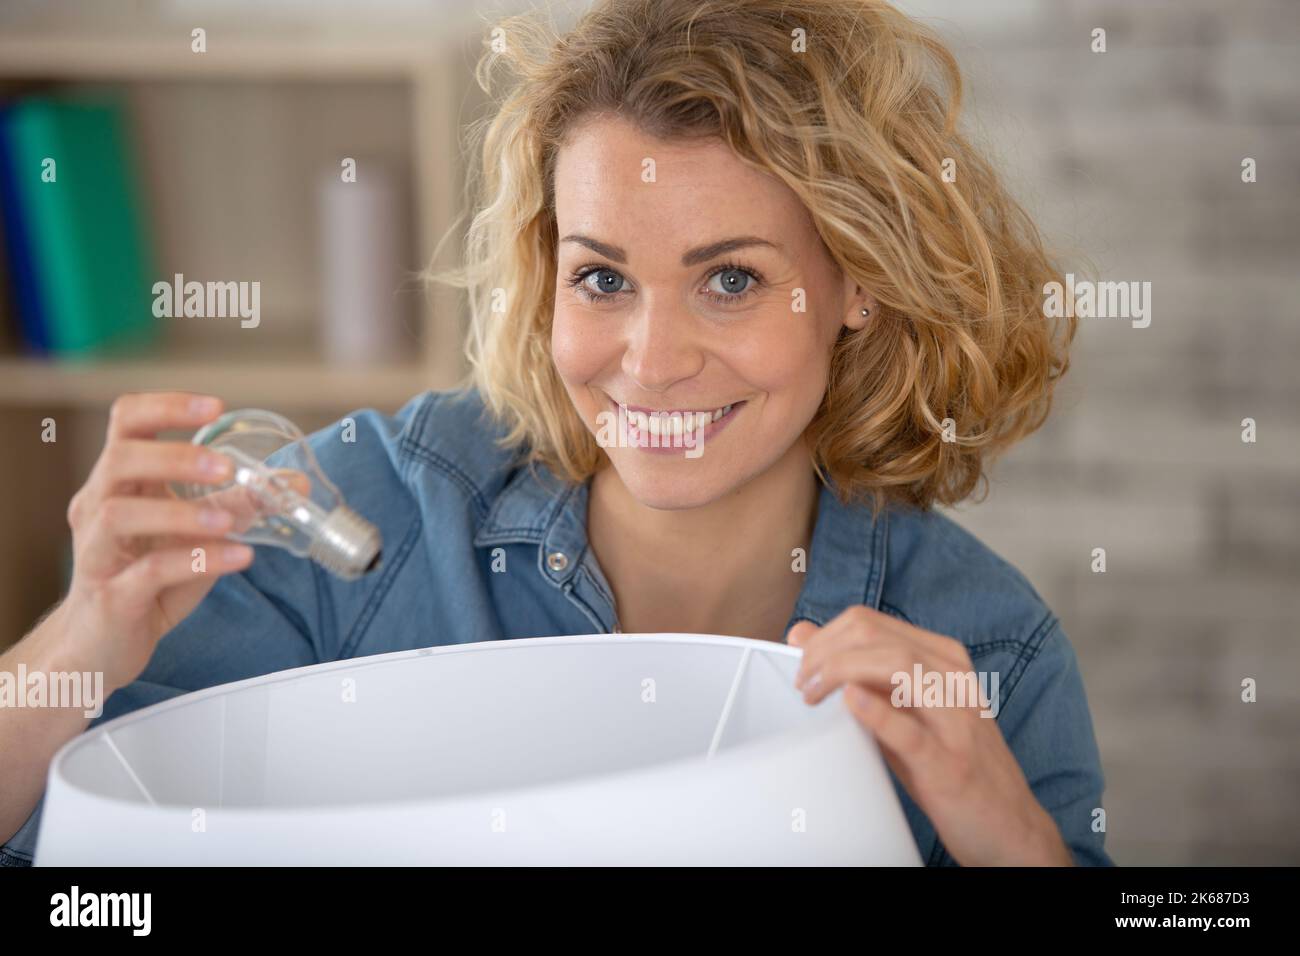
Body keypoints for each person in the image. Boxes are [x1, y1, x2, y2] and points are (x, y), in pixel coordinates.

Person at [0, 0, 1108, 866]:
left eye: (730, 278)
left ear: (858, 282)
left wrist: (1011, 838)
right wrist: (78, 640)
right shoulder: (368, 514)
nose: (651, 360)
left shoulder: (985, 649)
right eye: (602, 278)